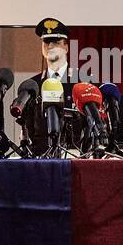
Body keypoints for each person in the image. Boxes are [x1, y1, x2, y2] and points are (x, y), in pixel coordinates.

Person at [21, 17, 80, 155]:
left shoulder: (83, 82)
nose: (50, 46)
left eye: (56, 42)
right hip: (40, 158)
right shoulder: (32, 85)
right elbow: (28, 126)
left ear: (66, 47)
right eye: (46, 42)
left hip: (75, 157)